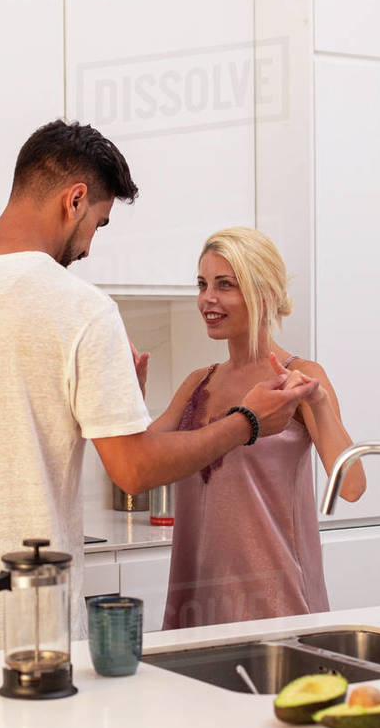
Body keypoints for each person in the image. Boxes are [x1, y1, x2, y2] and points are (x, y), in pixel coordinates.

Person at [0, 121, 317, 660]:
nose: (90, 246)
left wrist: (115, 405)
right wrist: (246, 421)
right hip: (28, 611)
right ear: (75, 200)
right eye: (99, 222)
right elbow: (133, 470)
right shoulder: (80, 307)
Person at [153, 227, 367, 630]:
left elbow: (352, 486)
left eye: (225, 285)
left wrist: (319, 403)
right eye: (202, 284)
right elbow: (139, 463)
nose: (207, 298)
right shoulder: (198, 383)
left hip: (276, 604)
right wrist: (128, 393)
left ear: (264, 294)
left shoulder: (299, 376)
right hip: (197, 605)